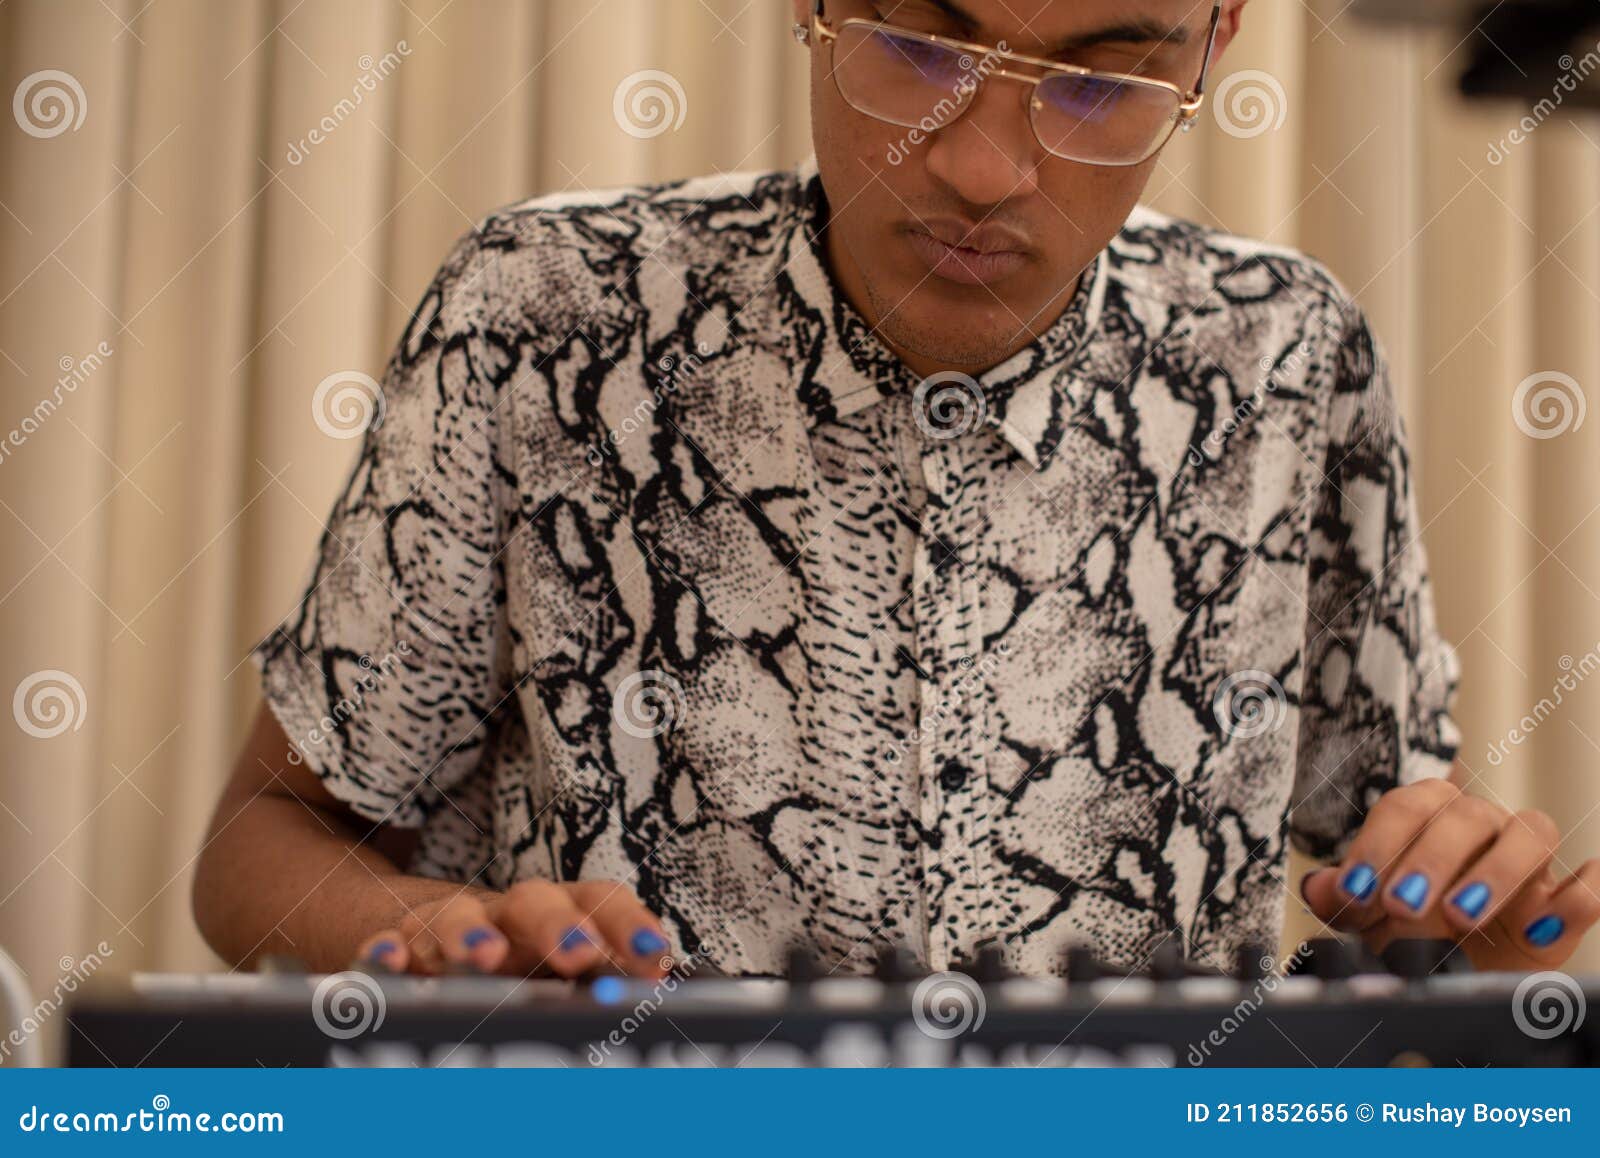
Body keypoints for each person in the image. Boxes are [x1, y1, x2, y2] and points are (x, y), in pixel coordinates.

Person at [193, 0, 1599, 980]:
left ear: (1218, 38)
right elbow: (262, 848)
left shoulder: (1290, 351)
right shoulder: (546, 309)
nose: (984, 169)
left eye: (1105, 79)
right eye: (918, 50)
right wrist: (433, 933)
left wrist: (1459, 925)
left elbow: (1400, 872)